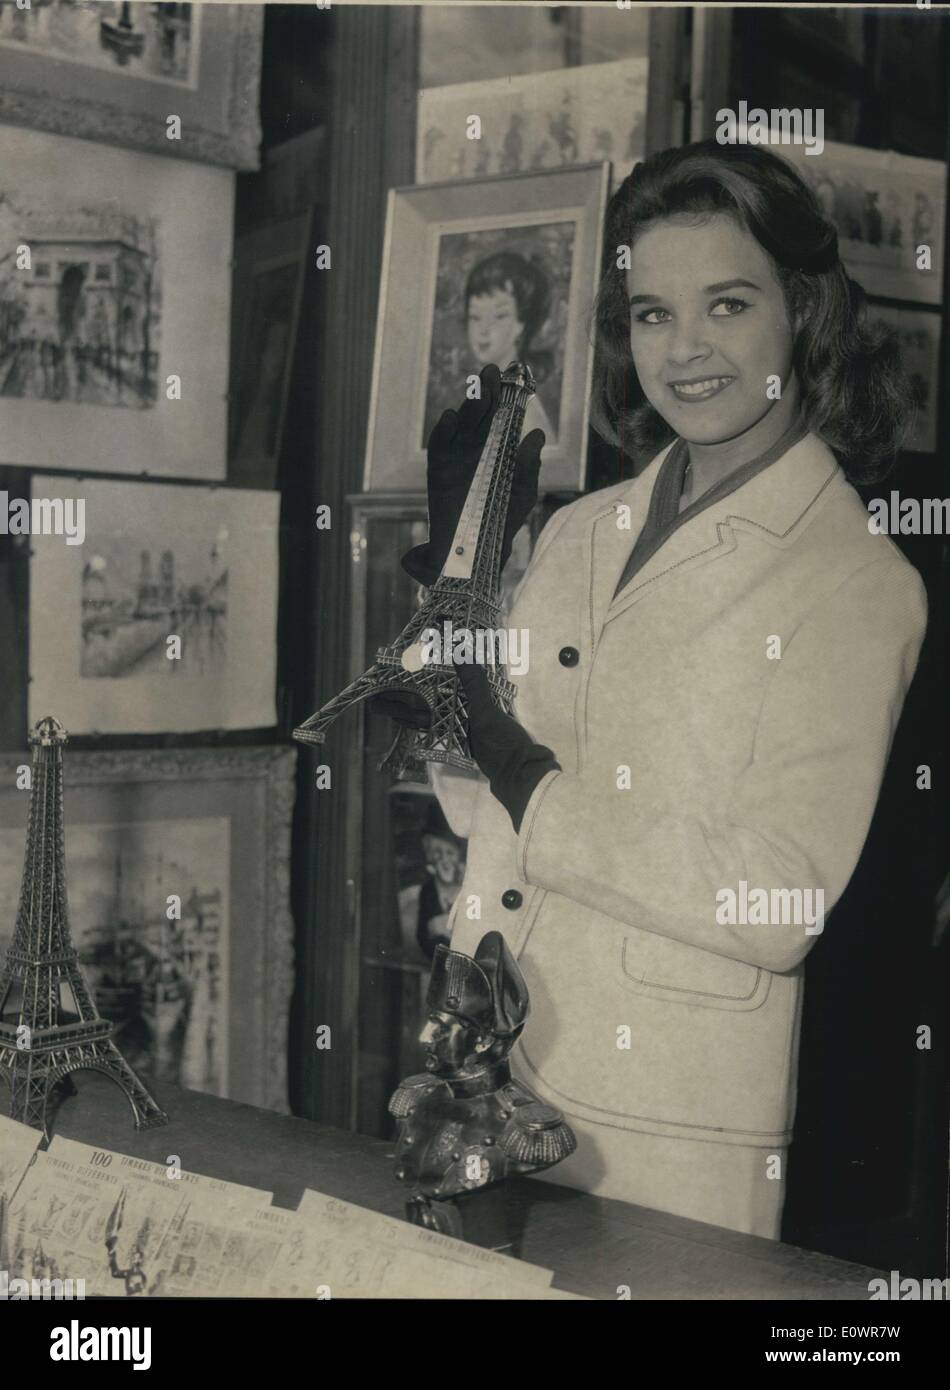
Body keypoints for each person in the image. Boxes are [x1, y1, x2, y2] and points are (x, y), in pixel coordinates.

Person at [381, 140, 928, 1239]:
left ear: (803, 312)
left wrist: (517, 768)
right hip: (486, 1073)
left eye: (724, 305)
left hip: (670, 1128)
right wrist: (445, 725)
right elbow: (495, 803)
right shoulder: (580, 530)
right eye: (650, 314)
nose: (683, 353)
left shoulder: (856, 580)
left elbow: (777, 903)